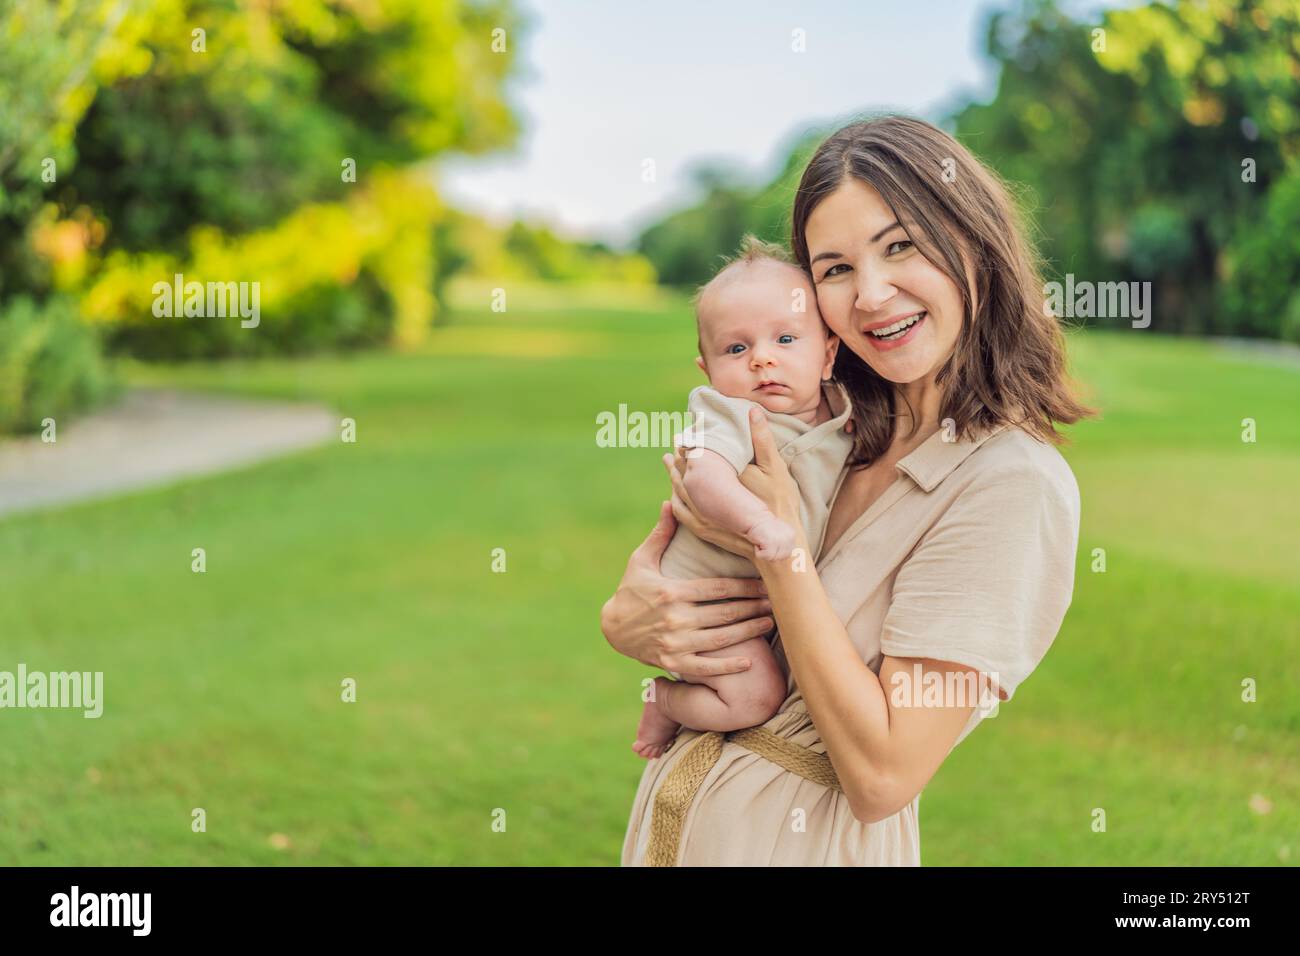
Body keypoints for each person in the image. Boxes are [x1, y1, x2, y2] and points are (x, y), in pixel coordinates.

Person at [602, 114, 1095, 866]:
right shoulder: (823, 432)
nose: (870, 294)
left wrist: (785, 556)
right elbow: (688, 584)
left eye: (900, 247)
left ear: (973, 241)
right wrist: (631, 619)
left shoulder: (1011, 484)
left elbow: (882, 774)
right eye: (834, 269)